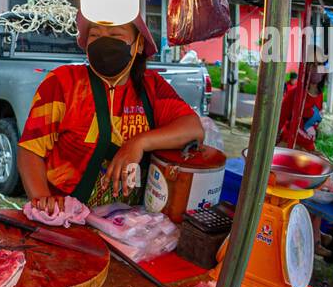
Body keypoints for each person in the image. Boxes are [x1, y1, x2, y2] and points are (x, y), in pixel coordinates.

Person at [16, 12, 205, 211]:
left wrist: (139, 143)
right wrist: (43, 200)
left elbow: (193, 128)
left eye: (115, 36)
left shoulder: (151, 86)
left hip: (127, 225)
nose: (104, 43)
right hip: (66, 219)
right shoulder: (62, 83)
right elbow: (30, 150)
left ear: (139, 44)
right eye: (95, 36)